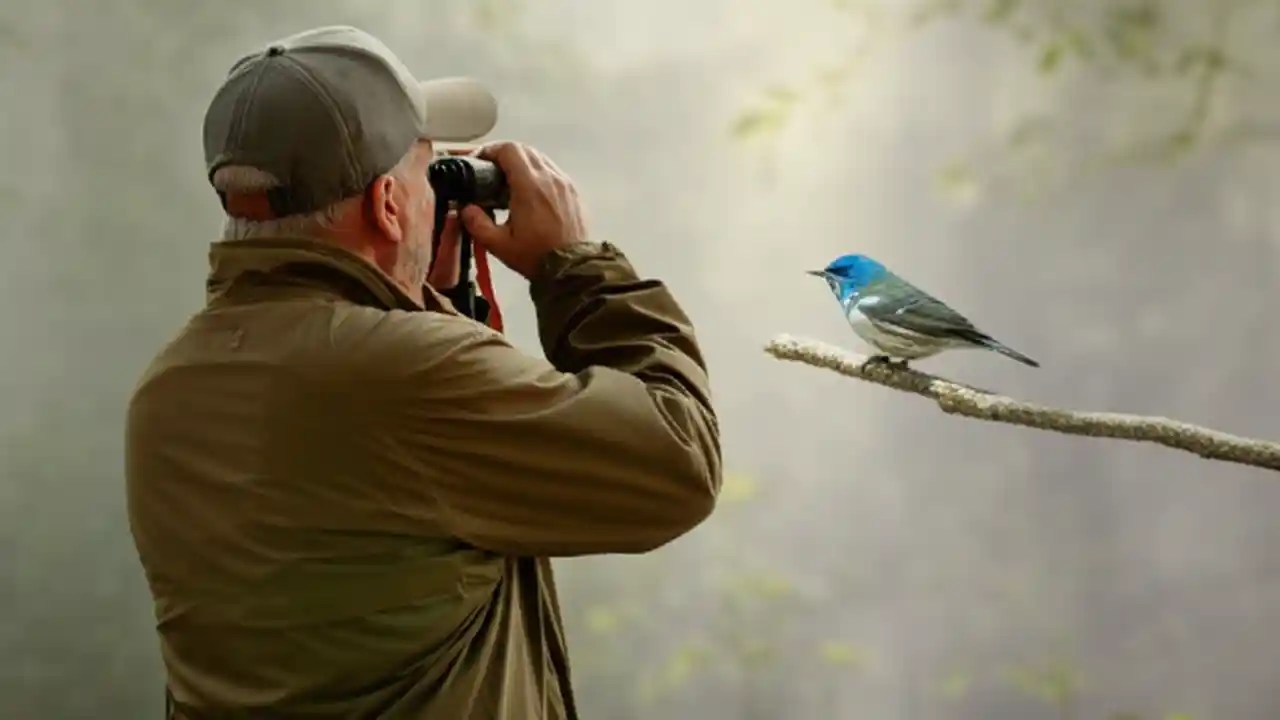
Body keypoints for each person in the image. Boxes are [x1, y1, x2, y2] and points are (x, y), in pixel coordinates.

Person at [124, 25, 722, 720]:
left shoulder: (173, 384)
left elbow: (399, 534)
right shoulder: (400, 376)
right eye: (427, 167)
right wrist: (578, 267)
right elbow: (677, 460)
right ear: (386, 204)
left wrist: (426, 301)